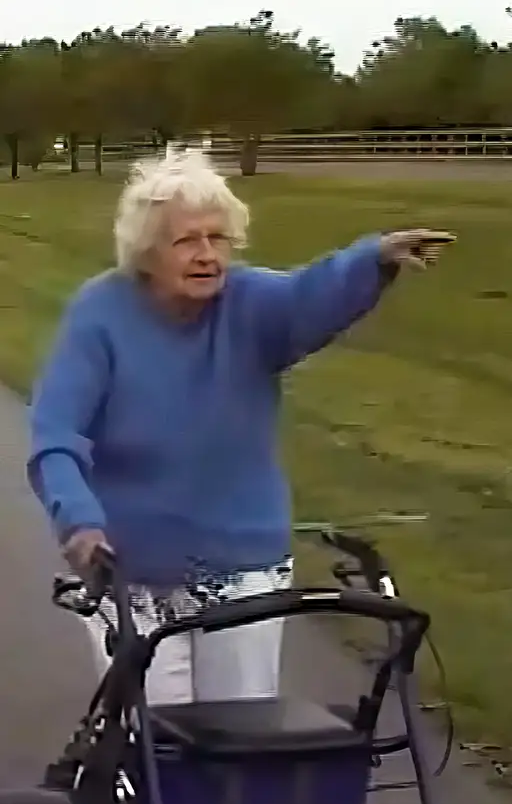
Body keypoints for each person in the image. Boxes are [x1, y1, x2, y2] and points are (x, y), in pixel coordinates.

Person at [27, 145, 454, 705]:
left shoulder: (251, 303)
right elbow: (56, 436)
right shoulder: (101, 313)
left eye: (217, 238)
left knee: (239, 734)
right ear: (147, 252)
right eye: (186, 240)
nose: (207, 255)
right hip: (130, 569)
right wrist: (79, 522)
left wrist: (374, 258)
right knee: (155, 742)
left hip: (242, 564)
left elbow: (311, 297)